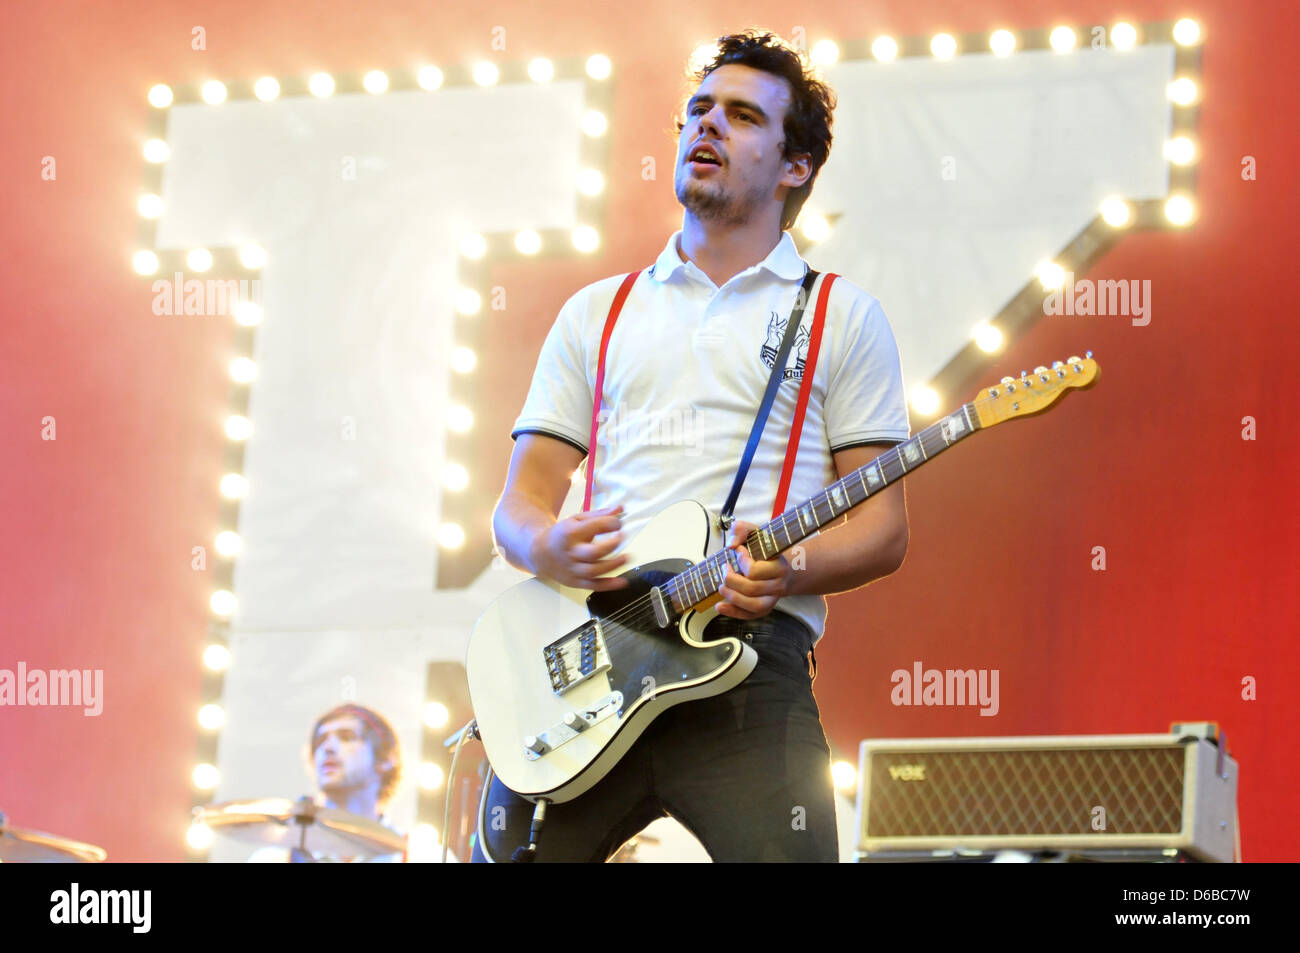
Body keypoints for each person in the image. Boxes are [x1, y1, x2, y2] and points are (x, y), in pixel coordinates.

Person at [476, 30, 910, 863]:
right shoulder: (597, 312)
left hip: (750, 660)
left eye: (743, 115)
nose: (707, 126)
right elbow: (519, 504)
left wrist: (793, 568)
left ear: (795, 167)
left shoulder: (841, 316)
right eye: (698, 110)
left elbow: (884, 529)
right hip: (594, 654)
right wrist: (548, 543)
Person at [248, 703, 406, 862]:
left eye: (346, 737)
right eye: (320, 741)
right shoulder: (274, 858)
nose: (327, 747)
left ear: (386, 758)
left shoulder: (414, 855)